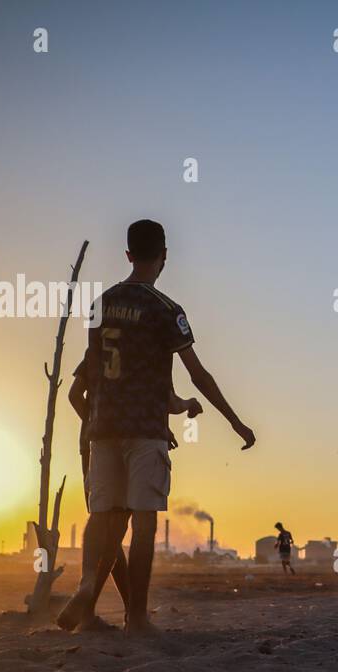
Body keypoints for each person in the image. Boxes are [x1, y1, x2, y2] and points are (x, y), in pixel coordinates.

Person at [57, 219, 256, 635]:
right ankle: (137, 617)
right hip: (145, 431)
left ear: (128, 255)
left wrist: (96, 422)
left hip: (103, 429)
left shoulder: (101, 304)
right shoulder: (165, 309)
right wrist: (235, 421)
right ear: (164, 256)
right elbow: (197, 373)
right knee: (144, 522)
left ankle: (88, 588)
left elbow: (90, 379)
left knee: (102, 517)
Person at [63, 356, 202, 630]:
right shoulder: (149, 347)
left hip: (94, 444)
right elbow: (169, 400)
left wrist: (95, 422)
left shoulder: (101, 342)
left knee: (107, 524)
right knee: (119, 530)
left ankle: (109, 608)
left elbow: (74, 394)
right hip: (134, 442)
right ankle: (118, 614)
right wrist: (186, 406)